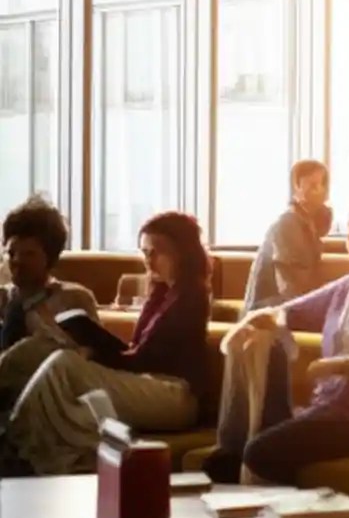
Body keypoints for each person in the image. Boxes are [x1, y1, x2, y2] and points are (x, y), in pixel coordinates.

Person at [202, 193, 349, 486]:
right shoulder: (347, 287)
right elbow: (287, 313)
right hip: (328, 409)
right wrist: (253, 323)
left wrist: (345, 365)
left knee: (260, 452)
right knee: (224, 459)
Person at [4, 212, 210, 475]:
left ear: (181, 253)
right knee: (71, 386)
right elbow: (138, 353)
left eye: (156, 252)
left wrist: (98, 350)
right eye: (144, 252)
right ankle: (36, 451)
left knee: (65, 363)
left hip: (176, 394)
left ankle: (14, 440)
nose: (149, 261)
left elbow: (142, 360)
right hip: (152, 382)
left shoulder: (191, 296)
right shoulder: (160, 294)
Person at [0, 196, 102, 409]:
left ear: (50, 257)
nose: (17, 261)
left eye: (29, 254)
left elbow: (88, 360)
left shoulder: (73, 298)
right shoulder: (4, 298)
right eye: (11, 253)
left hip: (45, 397)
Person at [244, 160, 334, 311]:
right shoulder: (289, 224)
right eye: (312, 185)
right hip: (267, 311)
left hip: (283, 305)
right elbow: (290, 288)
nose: (320, 190)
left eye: (323, 184)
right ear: (296, 188)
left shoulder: (309, 223)